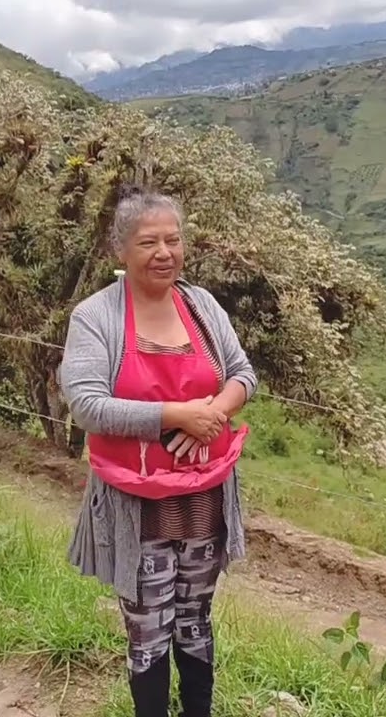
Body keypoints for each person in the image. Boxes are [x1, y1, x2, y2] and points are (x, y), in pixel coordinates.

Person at [60, 184, 257, 717]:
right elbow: (87, 405)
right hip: (138, 506)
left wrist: (212, 415)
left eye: (174, 240)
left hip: (204, 499)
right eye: (149, 242)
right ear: (121, 249)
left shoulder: (201, 305)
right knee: (148, 631)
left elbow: (242, 374)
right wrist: (175, 416)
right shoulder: (96, 317)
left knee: (196, 620)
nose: (165, 253)